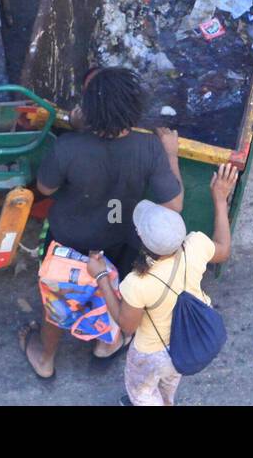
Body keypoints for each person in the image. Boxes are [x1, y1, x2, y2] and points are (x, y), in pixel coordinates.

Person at [20, 67, 184, 379]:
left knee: (59, 298)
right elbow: (173, 205)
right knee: (110, 291)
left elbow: (45, 188)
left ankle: (46, 359)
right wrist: (172, 155)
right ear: (134, 111)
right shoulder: (149, 147)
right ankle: (105, 345)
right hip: (119, 241)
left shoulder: (68, 147)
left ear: (89, 113)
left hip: (68, 242)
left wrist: (76, 130)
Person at [87, 164, 238, 406]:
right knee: (169, 384)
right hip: (184, 342)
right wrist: (220, 199)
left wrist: (101, 276)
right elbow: (223, 249)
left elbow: (126, 326)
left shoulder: (137, 283)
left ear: (142, 241)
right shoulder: (195, 245)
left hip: (152, 353)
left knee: (143, 393)